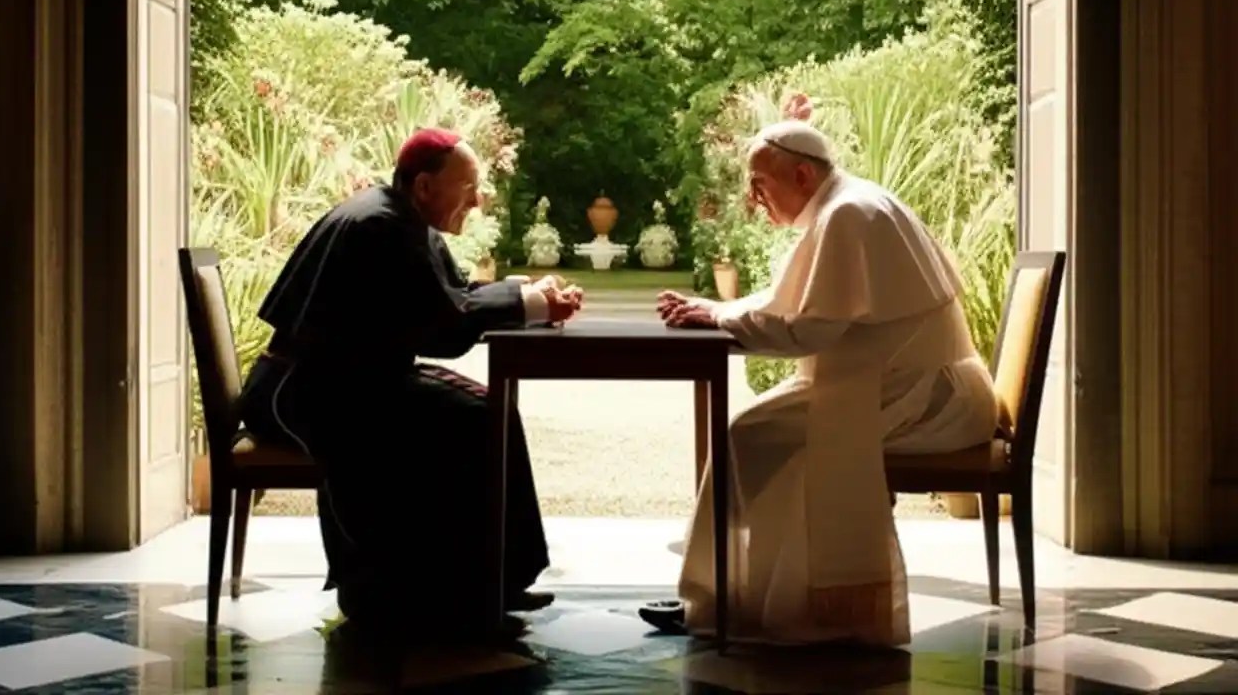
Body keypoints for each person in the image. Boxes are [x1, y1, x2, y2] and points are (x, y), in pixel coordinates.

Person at [644, 99, 1000, 646]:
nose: (754, 200)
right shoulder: (844, 205)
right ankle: (735, 597)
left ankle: (762, 604)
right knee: (755, 432)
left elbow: (809, 329)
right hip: (901, 387)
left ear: (803, 174)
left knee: (749, 435)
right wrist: (716, 309)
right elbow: (797, 302)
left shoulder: (849, 214)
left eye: (760, 185)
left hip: (927, 400)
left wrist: (718, 314)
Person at [236, 128, 583, 642]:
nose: (478, 199)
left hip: (344, 379)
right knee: (475, 419)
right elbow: (443, 327)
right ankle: (441, 587)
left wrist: (527, 292)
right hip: (304, 391)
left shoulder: (399, 215)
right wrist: (530, 304)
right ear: (424, 186)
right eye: (468, 186)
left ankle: (493, 579)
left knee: (488, 409)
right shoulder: (382, 226)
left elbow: (451, 296)